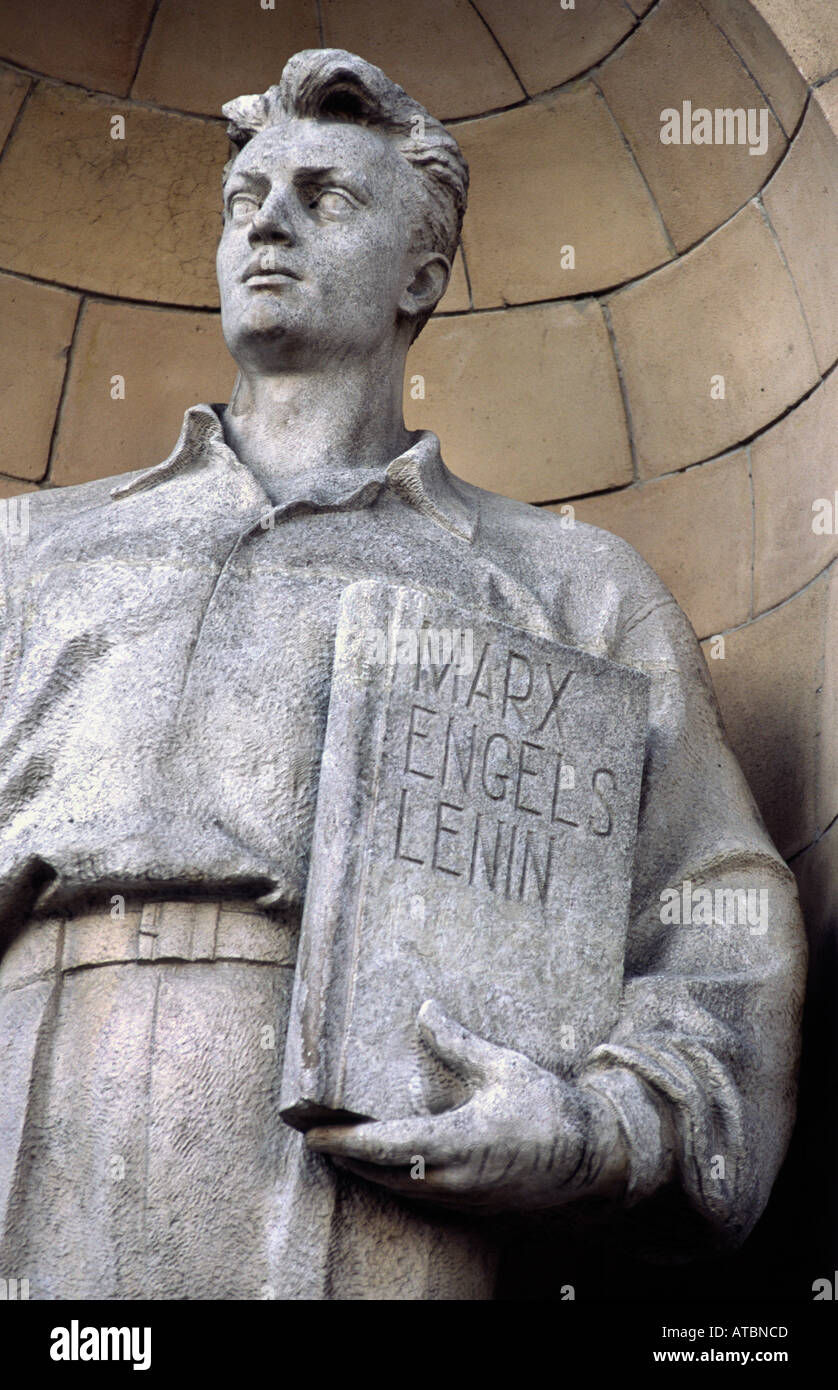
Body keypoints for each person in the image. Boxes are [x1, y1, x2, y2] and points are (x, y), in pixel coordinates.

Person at [0, 48, 806, 1300]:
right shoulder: (34, 550)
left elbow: (720, 912)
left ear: (420, 275)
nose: (264, 221)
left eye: (326, 196)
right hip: (31, 1102)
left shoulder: (570, 587)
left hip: (379, 1168)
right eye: (244, 198)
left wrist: (595, 1127)